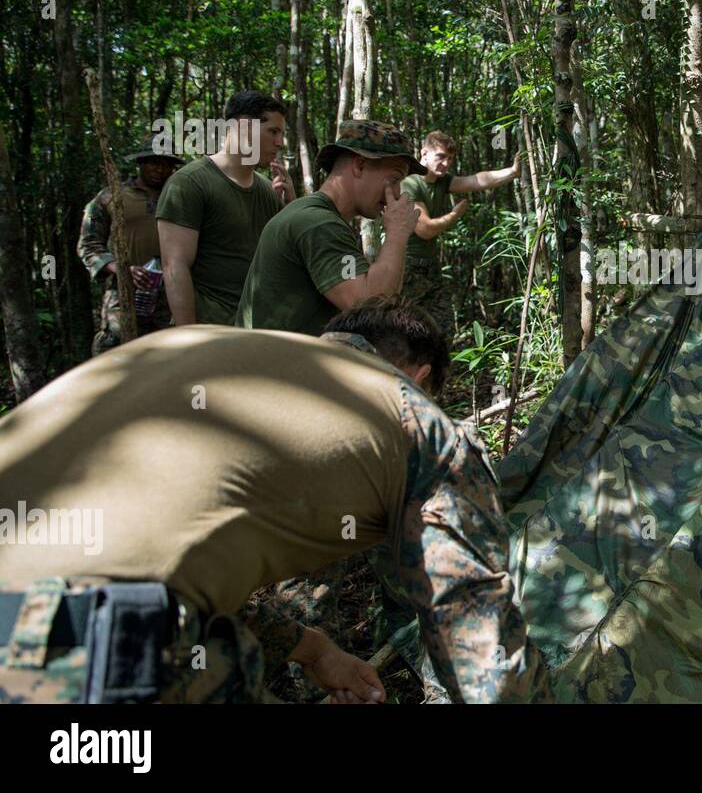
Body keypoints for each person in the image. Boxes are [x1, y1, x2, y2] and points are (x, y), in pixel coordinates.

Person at [0, 296, 551, 704]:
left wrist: (313, 650)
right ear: (420, 376)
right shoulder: (418, 422)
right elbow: (486, 667)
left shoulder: (187, 347)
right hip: (90, 649)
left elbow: (159, 552)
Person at [237, 121, 423, 336]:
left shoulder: (316, 217)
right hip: (272, 365)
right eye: (394, 179)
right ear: (360, 165)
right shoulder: (319, 224)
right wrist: (397, 233)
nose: (398, 193)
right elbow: (371, 308)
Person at [156, 91, 295, 325]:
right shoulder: (190, 183)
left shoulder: (269, 191)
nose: (280, 143)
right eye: (273, 131)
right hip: (211, 329)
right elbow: (175, 265)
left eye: (281, 134)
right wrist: (190, 335)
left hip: (259, 328)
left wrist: (292, 206)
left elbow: (286, 260)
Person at [400, 130, 521, 330]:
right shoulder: (410, 183)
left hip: (429, 265)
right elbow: (425, 229)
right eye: (440, 157)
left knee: (441, 327)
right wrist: (455, 214)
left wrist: (513, 171)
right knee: (406, 328)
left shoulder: (442, 181)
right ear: (424, 153)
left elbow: (477, 180)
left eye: (450, 159)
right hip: (407, 268)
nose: (446, 164)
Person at [77, 144, 184, 353]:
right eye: (154, 163)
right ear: (141, 163)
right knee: (117, 356)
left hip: (170, 298)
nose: (160, 169)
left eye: (166, 165)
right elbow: (87, 244)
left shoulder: (181, 198)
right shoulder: (111, 197)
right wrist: (121, 269)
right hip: (124, 295)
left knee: (167, 361)